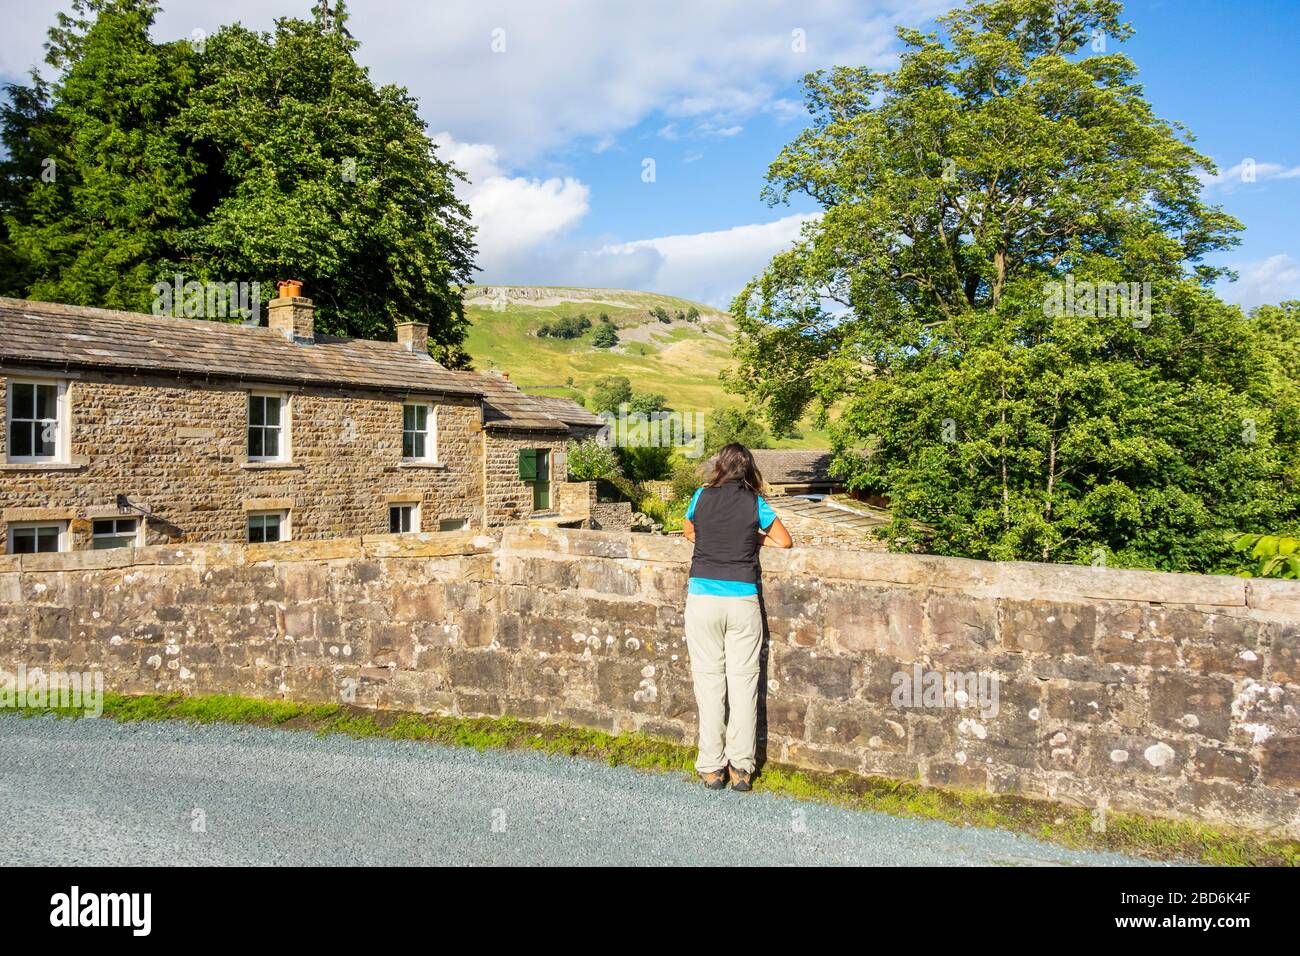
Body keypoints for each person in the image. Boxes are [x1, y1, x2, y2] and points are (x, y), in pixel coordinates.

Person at [681, 443, 793, 791]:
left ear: (720, 466)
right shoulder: (755, 502)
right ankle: (741, 769)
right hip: (742, 598)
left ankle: (711, 768)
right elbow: (784, 542)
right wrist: (752, 538)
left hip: (702, 599)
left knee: (709, 682)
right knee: (744, 683)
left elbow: (688, 531)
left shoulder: (701, 495)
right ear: (749, 470)